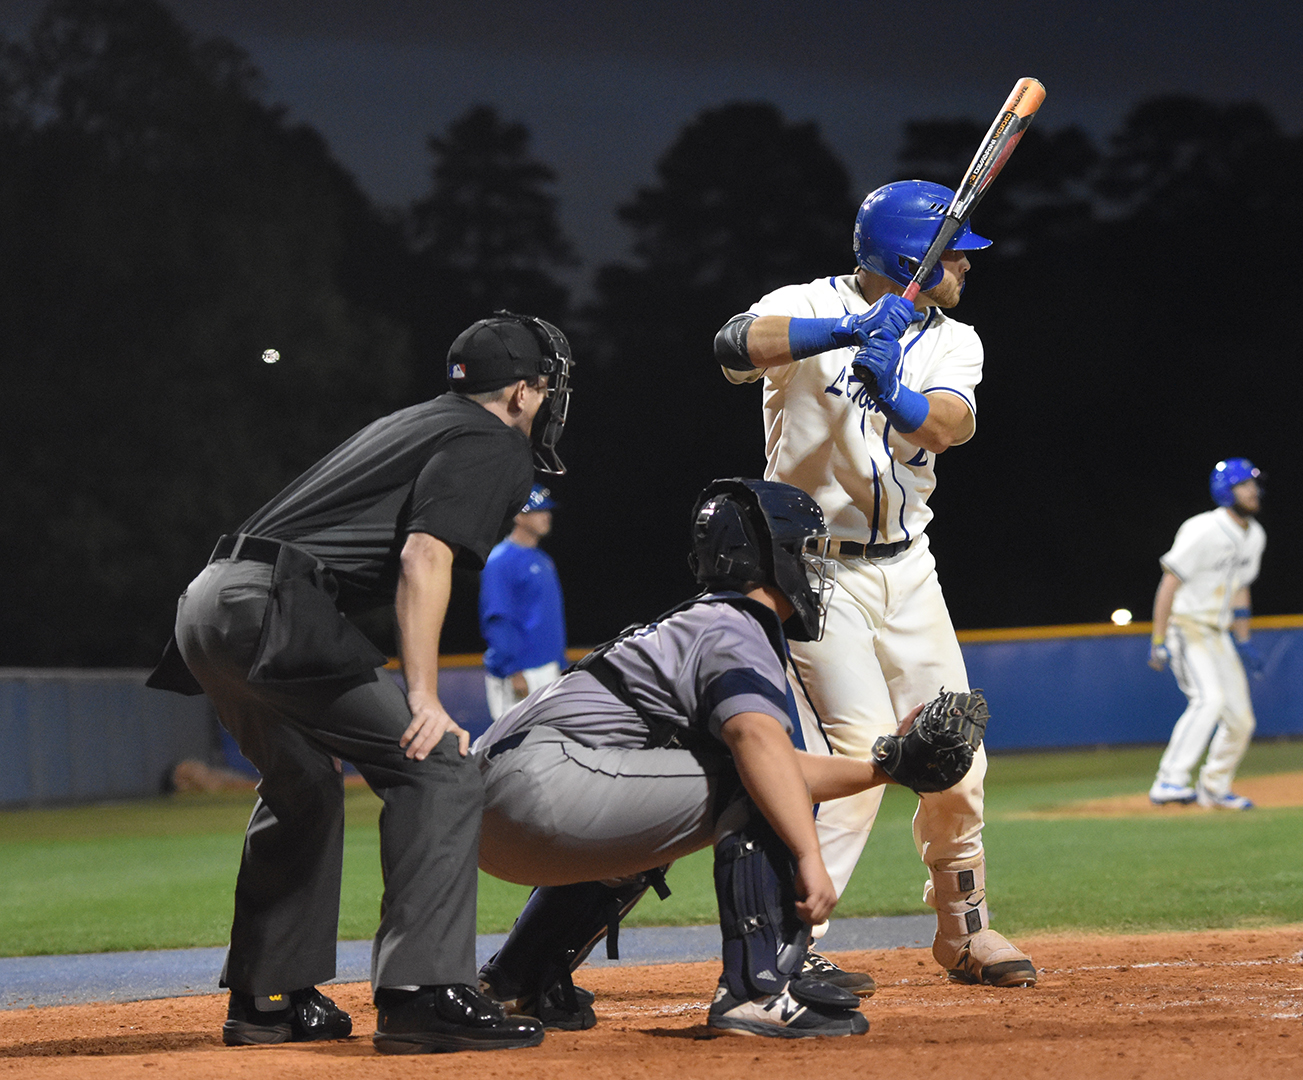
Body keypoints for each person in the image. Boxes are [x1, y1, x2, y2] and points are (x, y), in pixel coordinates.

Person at [146, 311, 575, 1054]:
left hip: (209, 601)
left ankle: (269, 1000)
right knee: (439, 768)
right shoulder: (494, 441)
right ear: (522, 393)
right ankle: (422, 995)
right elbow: (423, 557)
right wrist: (425, 697)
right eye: (547, 387)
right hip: (269, 605)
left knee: (303, 784)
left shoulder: (416, 421)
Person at [471, 479, 981, 1038]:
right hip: (540, 789)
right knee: (759, 784)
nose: (815, 569)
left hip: (492, 809)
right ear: (769, 558)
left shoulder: (703, 622)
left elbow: (775, 760)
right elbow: (761, 755)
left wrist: (885, 769)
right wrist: (810, 856)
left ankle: (517, 980)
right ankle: (758, 991)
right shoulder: (737, 627)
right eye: (805, 552)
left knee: (758, 780)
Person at [710, 180, 1036, 990]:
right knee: (858, 757)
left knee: (956, 750)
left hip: (908, 567)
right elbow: (731, 344)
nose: (965, 262)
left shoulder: (955, 339)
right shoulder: (804, 302)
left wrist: (892, 385)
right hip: (814, 571)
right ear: (906, 257)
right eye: (953, 250)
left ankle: (965, 933)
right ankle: (789, 945)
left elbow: (948, 425)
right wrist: (850, 329)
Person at [1147, 458, 1269, 811]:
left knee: (1241, 720)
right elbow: (1169, 582)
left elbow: (1241, 590)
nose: (1252, 491)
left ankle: (1214, 787)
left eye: (1253, 484)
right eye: (1243, 485)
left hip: (1219, 633)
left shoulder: (1255, 535)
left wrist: (1243, 639)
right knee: (1209, 700)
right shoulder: (1203, 528)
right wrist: (1158, 639)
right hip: (1186, 625)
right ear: (1225, 490)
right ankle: (1169, 780)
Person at [480, 485, 568, 721]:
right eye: (539, 510)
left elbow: (549, 617)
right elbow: (498, 617)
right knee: (511, 749)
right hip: (520, 672)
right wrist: (512, 670)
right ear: (519, 516)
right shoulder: (500, 560)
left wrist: (559, 663)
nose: (546, 515)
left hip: (548, 667)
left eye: (547, 510)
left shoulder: (543, 559)